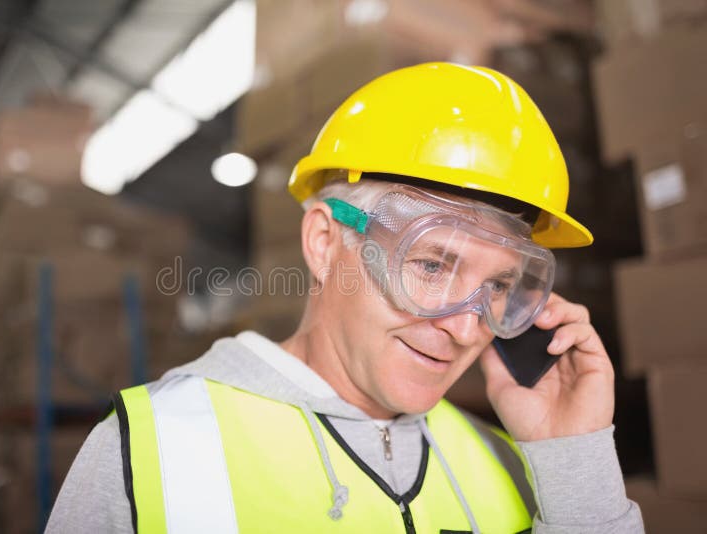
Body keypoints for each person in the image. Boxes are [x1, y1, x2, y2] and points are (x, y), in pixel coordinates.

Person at [46, 63, 643, 533]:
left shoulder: (514, 464)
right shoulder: (156, 450)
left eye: (499, 286)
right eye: (432, 264)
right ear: (326, 242)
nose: (466, 329)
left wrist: (575, 467)